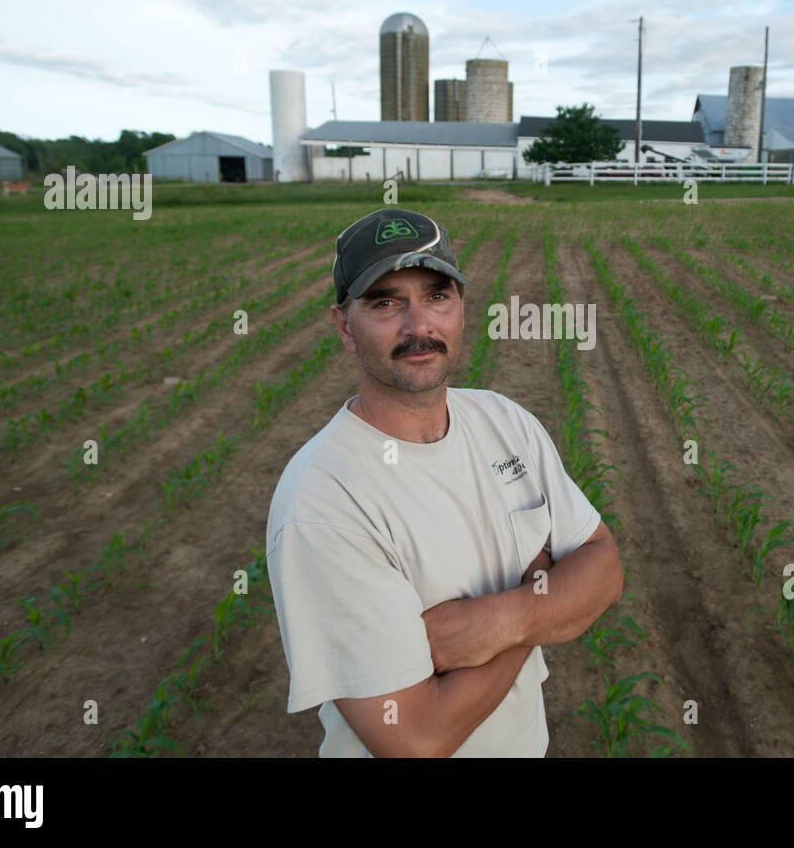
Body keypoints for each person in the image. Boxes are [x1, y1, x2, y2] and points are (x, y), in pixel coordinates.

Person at [266, 208, 623, 757]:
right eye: (385, 303)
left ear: (460, 308)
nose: (418, 327)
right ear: (344, 324)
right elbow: (418, 738)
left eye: (437, 296)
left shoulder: (505, 422)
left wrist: (503, 619)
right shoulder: (324, 498)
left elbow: (603, 563)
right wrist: (542, 600)